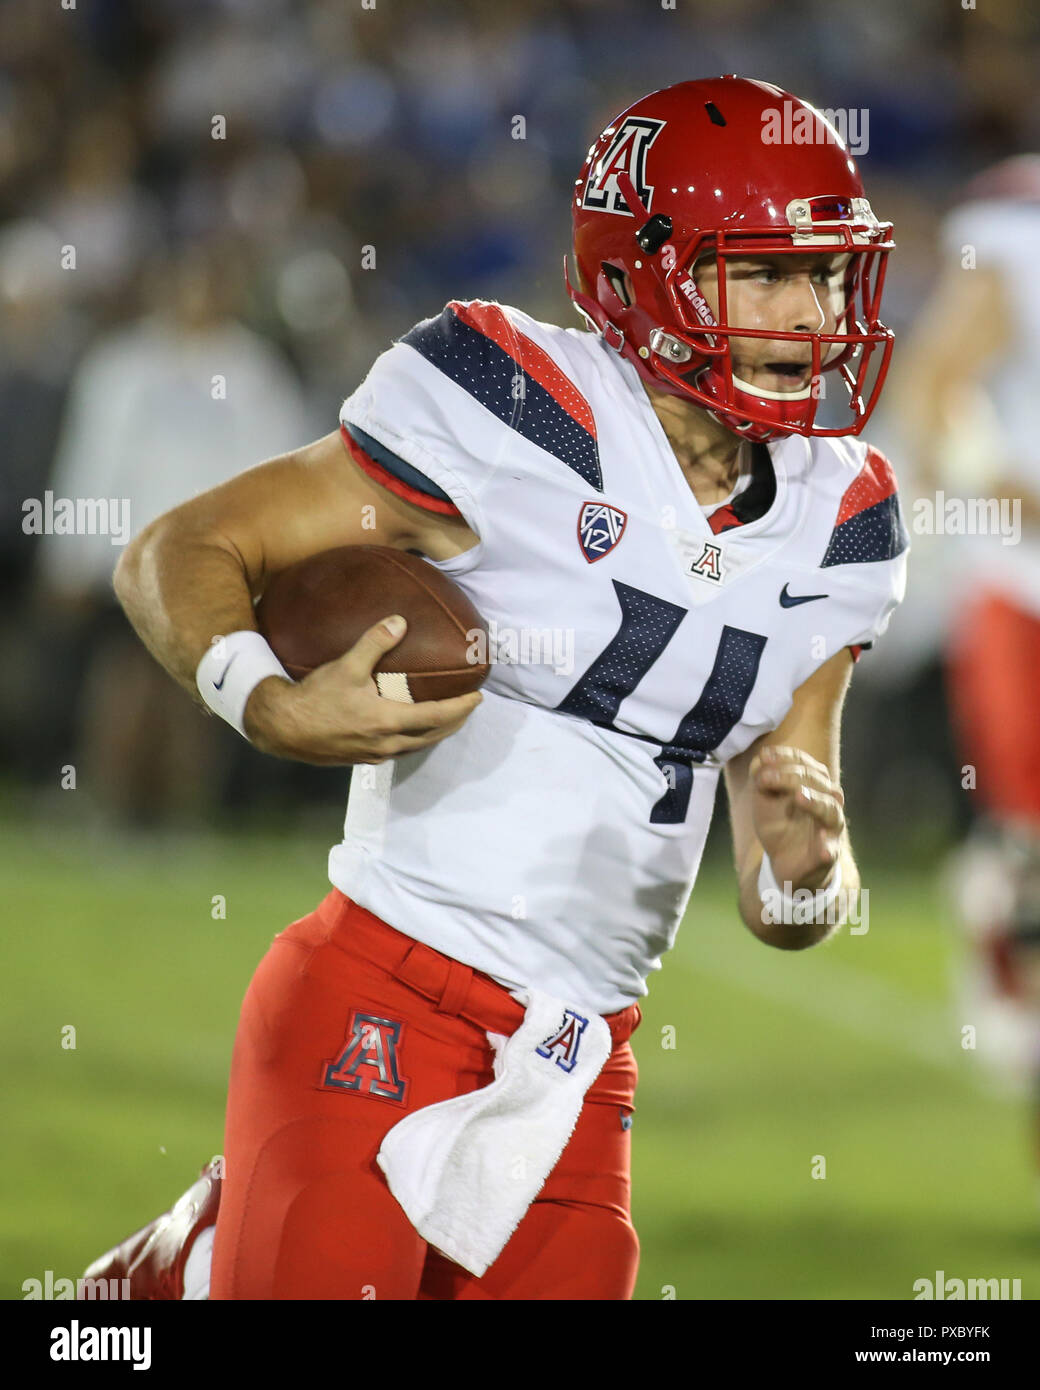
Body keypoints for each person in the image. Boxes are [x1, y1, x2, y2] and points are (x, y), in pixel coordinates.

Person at [86, 76, 907, 1301]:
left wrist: (804, 870)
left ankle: (195, 1266)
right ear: (644, 273)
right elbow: (176, 552)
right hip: (378, 986)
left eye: (830, 277)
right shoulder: (509, 399)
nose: (814, 314)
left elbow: (787, 888)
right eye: (769, 273)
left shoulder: (846, 519)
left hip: (581, 1065)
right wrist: (263, 698)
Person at [890, 155, 1040, 1165]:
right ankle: (1003, 934)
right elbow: (934, 388)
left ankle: (997, 902)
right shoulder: (1016, 222)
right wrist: (1000, 483)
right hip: (1022, 585)